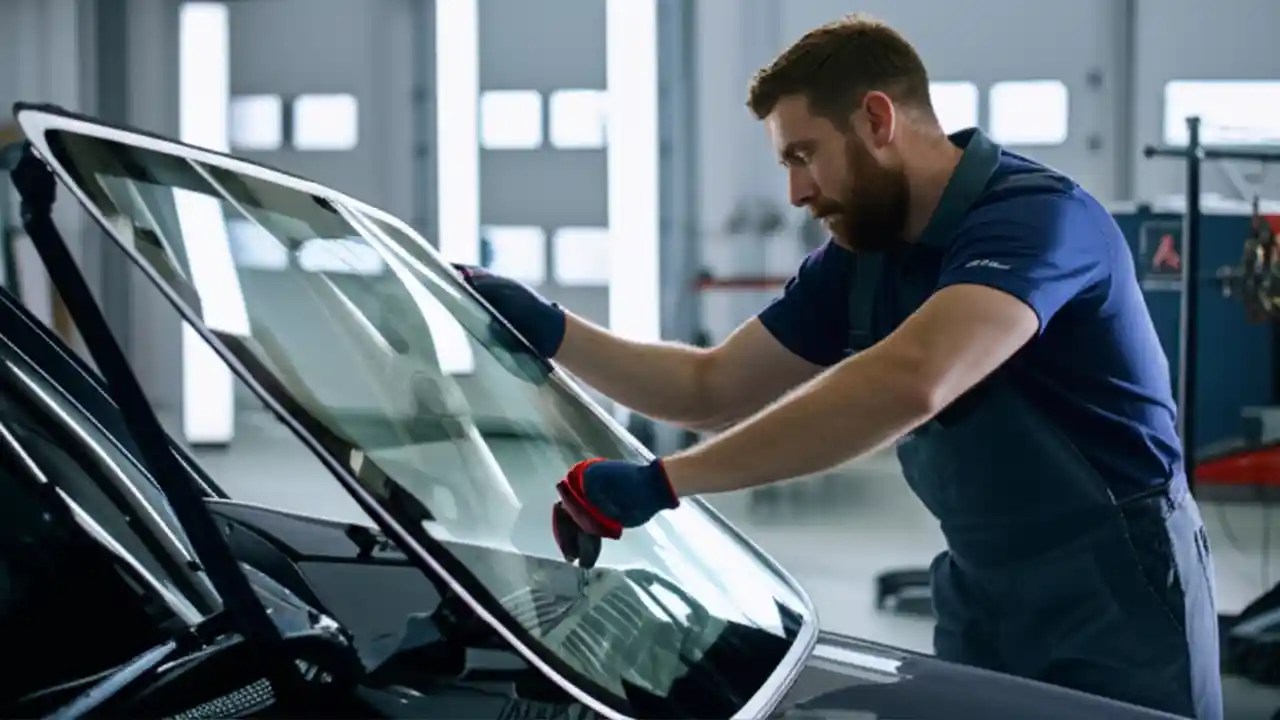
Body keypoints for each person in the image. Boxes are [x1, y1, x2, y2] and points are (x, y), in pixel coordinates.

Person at [458, 13, 1221, 719]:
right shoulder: (858, 259)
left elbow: (912, 380)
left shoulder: (1041, 220)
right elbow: (709, 387)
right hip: (982, 588)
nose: (795, 192)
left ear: (877, 119)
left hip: (1119, 598)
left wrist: (666, 483)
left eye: (803, 154)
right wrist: (553, 329)